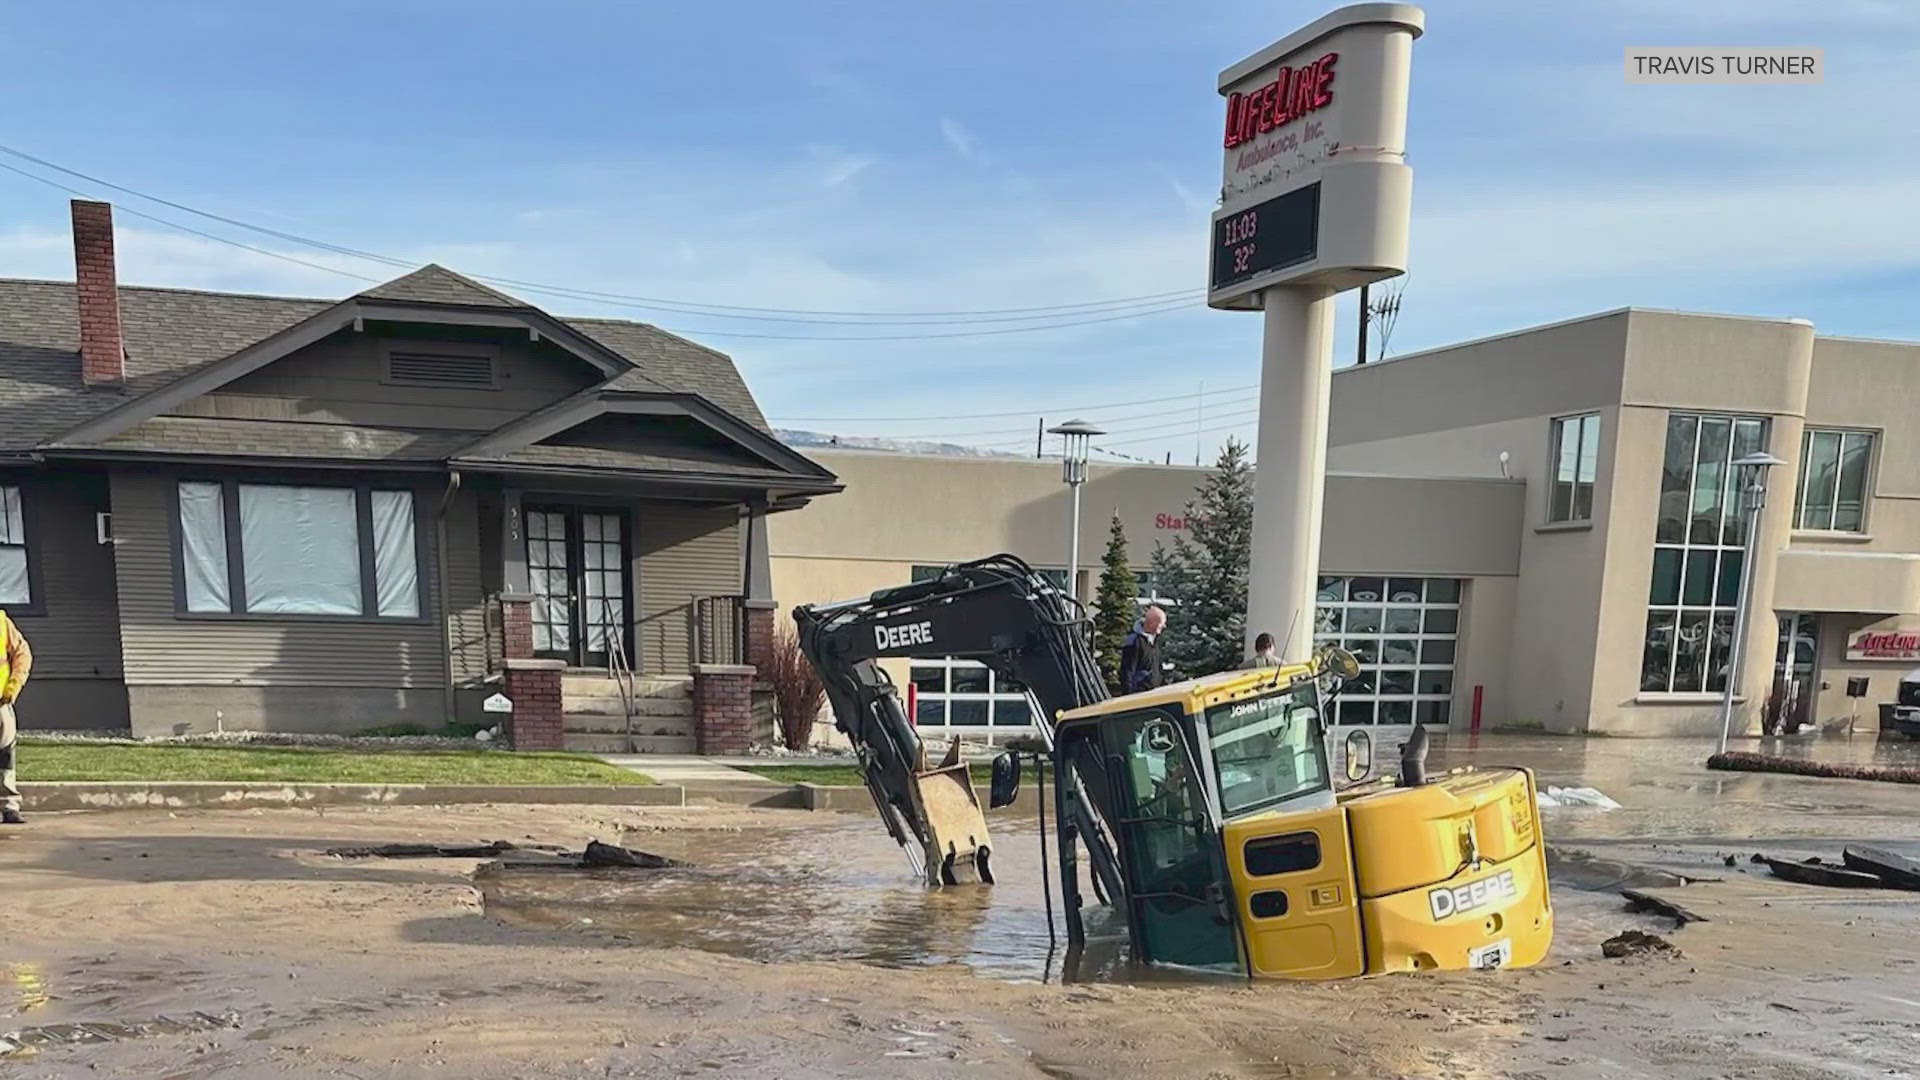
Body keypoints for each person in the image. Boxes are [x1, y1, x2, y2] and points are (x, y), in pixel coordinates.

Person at [0, 609, 30, 825]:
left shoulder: (1, 622)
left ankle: (9, 805)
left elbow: (22, 653)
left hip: (0, 701)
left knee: (5, 754)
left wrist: (14, 685)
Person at [1120, 605, 1167, 693]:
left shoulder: (1155, 641)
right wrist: (1129, 695)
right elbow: (1127, 671)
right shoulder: (1134, 641)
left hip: (1155, 692)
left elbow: (1158, 668)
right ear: (1153, 623)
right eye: (1162, 623)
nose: (1164, 626)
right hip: (1140, 694)